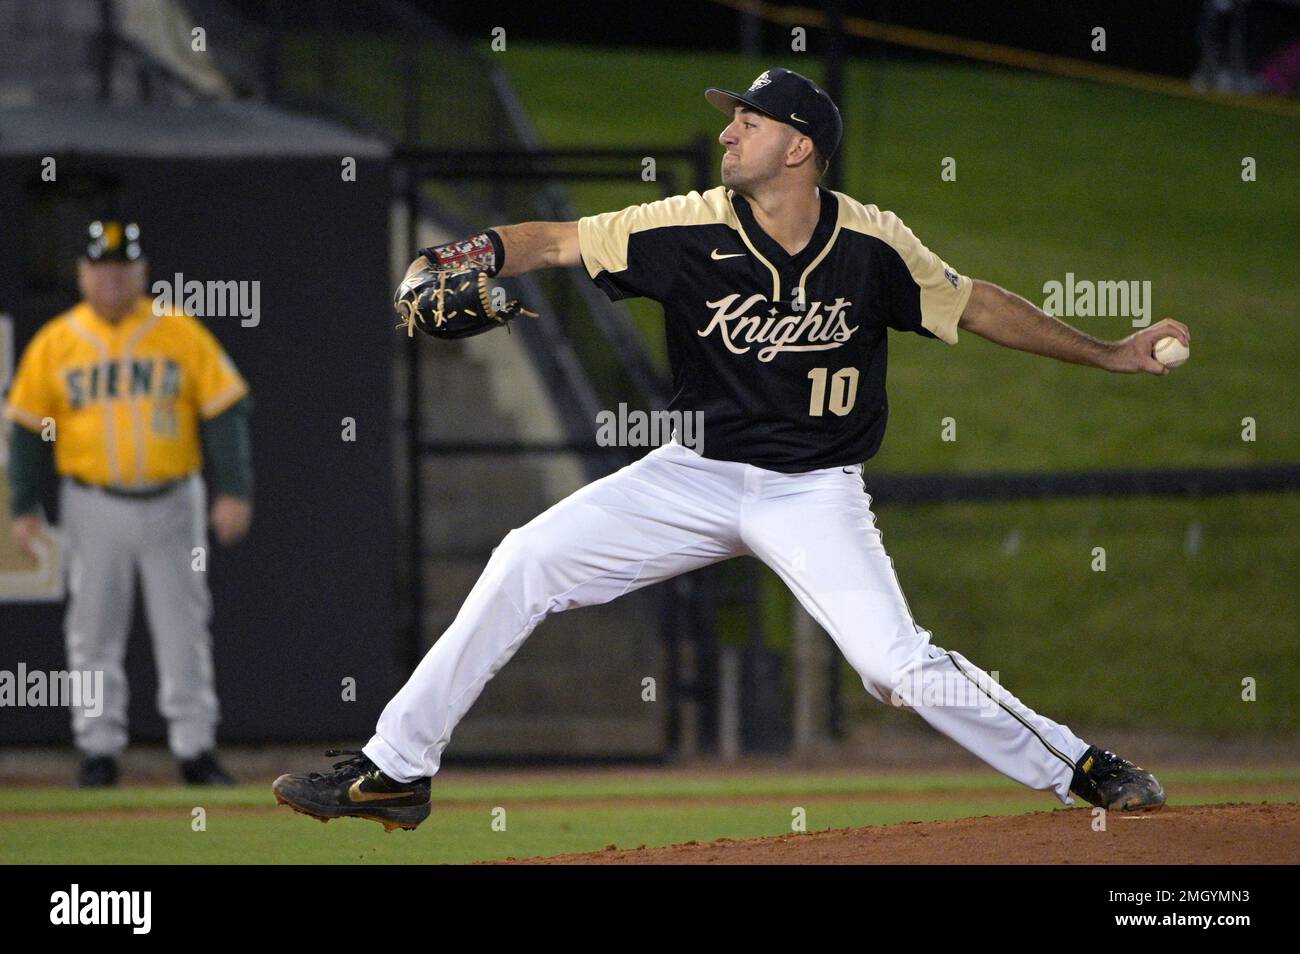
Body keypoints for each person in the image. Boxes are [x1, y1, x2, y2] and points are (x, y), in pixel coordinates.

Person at [273, 68, 1187, 832]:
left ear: (800, 147)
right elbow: (549, 240)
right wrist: (460, 253)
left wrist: (1111, 354)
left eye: (750, 122)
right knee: (525, 558)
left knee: (892, 666)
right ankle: (395, 769)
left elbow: (976, 302)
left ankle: (1082, 766)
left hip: (814, 490)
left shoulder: (871, 244)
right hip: (693, 476)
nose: (729, 134)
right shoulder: (684, 226)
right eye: (731, 121)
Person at [5, 217, 253, 787]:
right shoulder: (58, 341)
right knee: (92, 630)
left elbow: (224, 409)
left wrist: (234, 490)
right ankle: (98, 750)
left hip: (174, 500)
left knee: (184, 626)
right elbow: (25, 427)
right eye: (102, 269)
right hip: (93, 505)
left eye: (124, 269)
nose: (113, 279)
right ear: (83, 274)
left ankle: (195, 749)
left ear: (142, 273)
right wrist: (22, 505)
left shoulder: (178, 330)